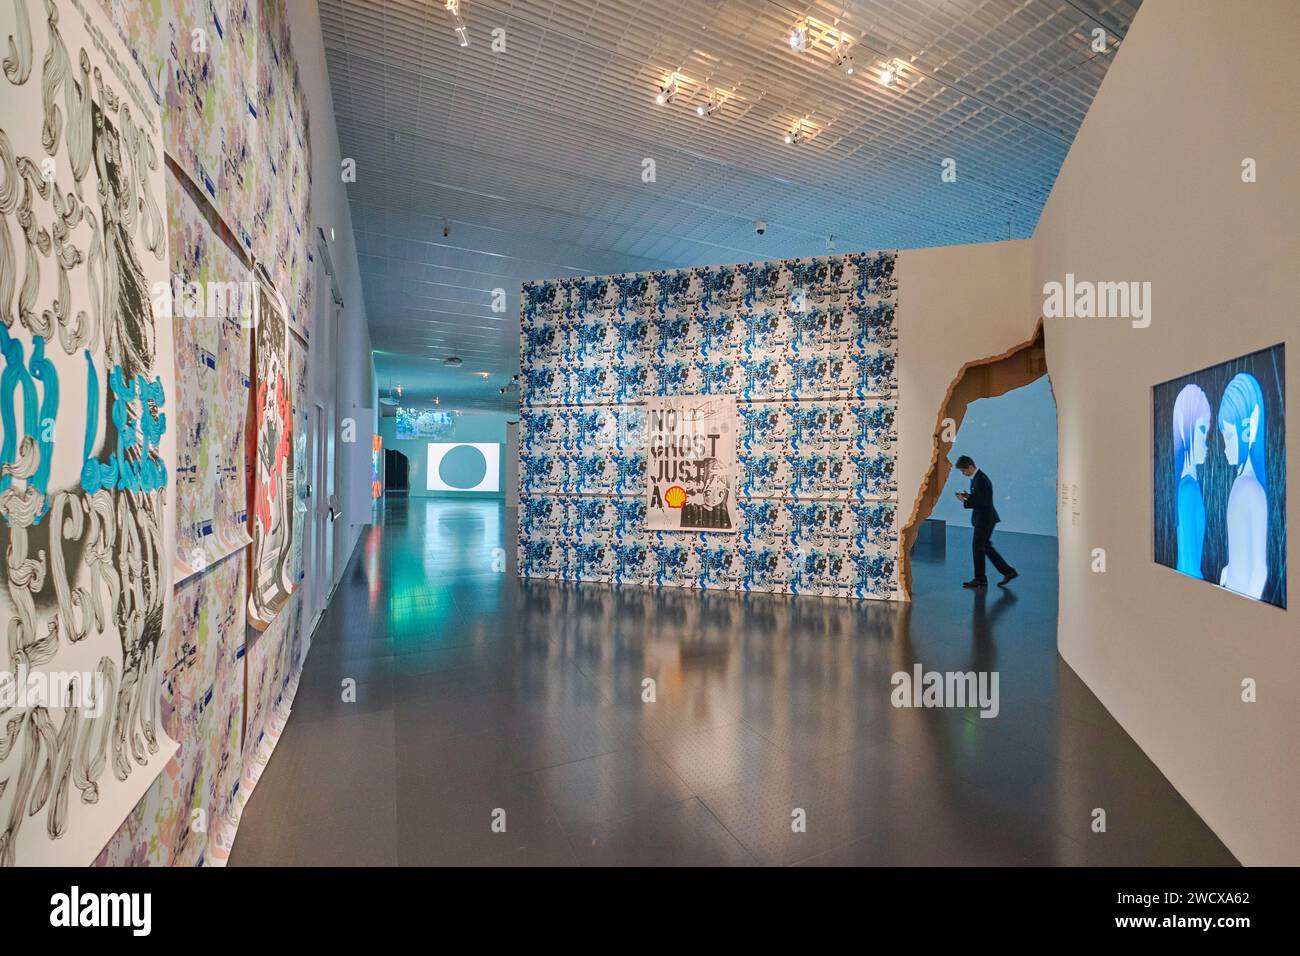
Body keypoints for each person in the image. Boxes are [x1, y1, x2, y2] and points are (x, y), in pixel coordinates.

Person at [953, 455, 1018, 589]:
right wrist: (968, 496)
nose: (963, 473)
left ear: (971, 467)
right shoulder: (978, 478)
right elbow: (981, 498)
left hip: (985, 519)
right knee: (985, 547)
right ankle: (1008, 571)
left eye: (963, 470)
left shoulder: (980, 480)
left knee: (978, 547)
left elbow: (983, 502)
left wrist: (965, 501)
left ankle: (980, 579)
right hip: (985, 518)